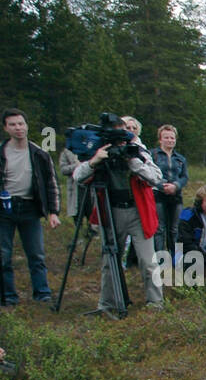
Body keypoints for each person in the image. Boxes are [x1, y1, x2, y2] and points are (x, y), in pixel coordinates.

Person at [71, 115, 164, 316]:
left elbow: (156, 177)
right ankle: (107, 303)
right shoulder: (98, 150)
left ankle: (156, 303)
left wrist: (133, 162)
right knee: (109, 260)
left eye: (125, 134)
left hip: (138, 212)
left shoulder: (136, 150)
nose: (121, 141)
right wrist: (94, 161)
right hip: (111, 211)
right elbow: (78, 177)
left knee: (148, 262)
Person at [0, 108, 60, 305]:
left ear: (26, 126)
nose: (18, 128)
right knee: (4, 256)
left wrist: (53, 212)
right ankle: (8, 297)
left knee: (36, 254)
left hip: (30, 208)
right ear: (6, 128)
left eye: (21, 124)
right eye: (13, 124)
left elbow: (51, 183)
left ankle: (42, 293)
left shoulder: (39, 154)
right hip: (4, 208)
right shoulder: (2, 152)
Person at [150, 124, 188, 257]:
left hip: (176, 196)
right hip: (158, 194)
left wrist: (176, 186)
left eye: (172, 138)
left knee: (175, 228)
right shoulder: (153, 155)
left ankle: (176, 256)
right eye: (166, 137)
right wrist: (162, 185)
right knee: (159, 228)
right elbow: (149, 174)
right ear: (160, 139)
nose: (170, 140)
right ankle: (160, 257)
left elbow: (184, 177)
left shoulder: (180, 159)